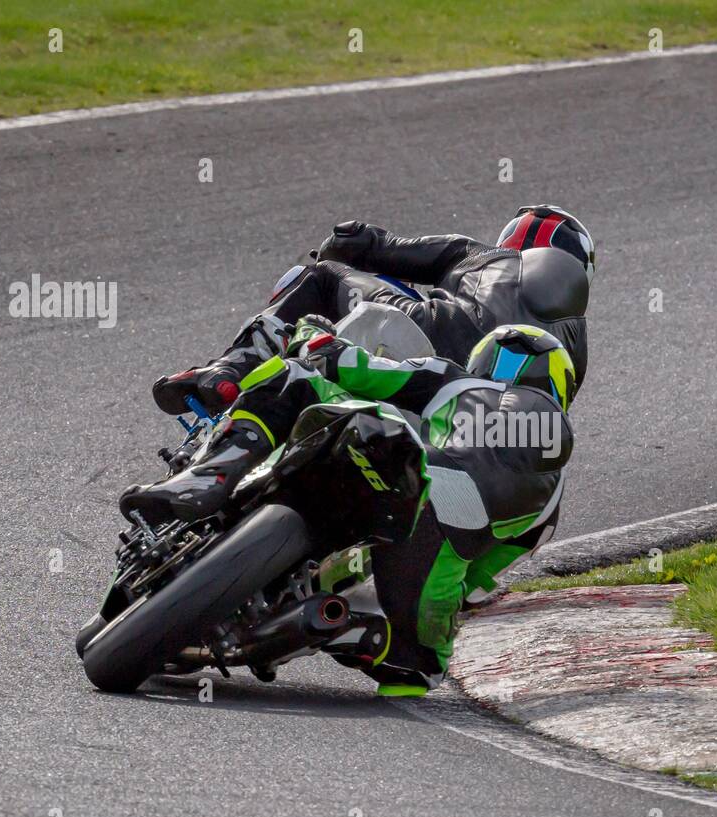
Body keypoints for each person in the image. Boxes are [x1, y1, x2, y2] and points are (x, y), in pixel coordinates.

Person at [120, 320, 576, 696]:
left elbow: (348, 364)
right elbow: (477, 585)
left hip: (413, 472)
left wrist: (314, 336)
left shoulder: (452, 379)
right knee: (416, 670)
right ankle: (339, 623)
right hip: (434, 554)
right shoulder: (550, 506)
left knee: (292, 379)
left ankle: (208, 477)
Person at [152, 205, 595, 418]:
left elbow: (376, 246)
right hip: (479, 424)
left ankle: (230, 371)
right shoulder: (576, 350)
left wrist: (345, 242)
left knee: (322, 277)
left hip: (437, 347)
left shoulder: (487, 258)